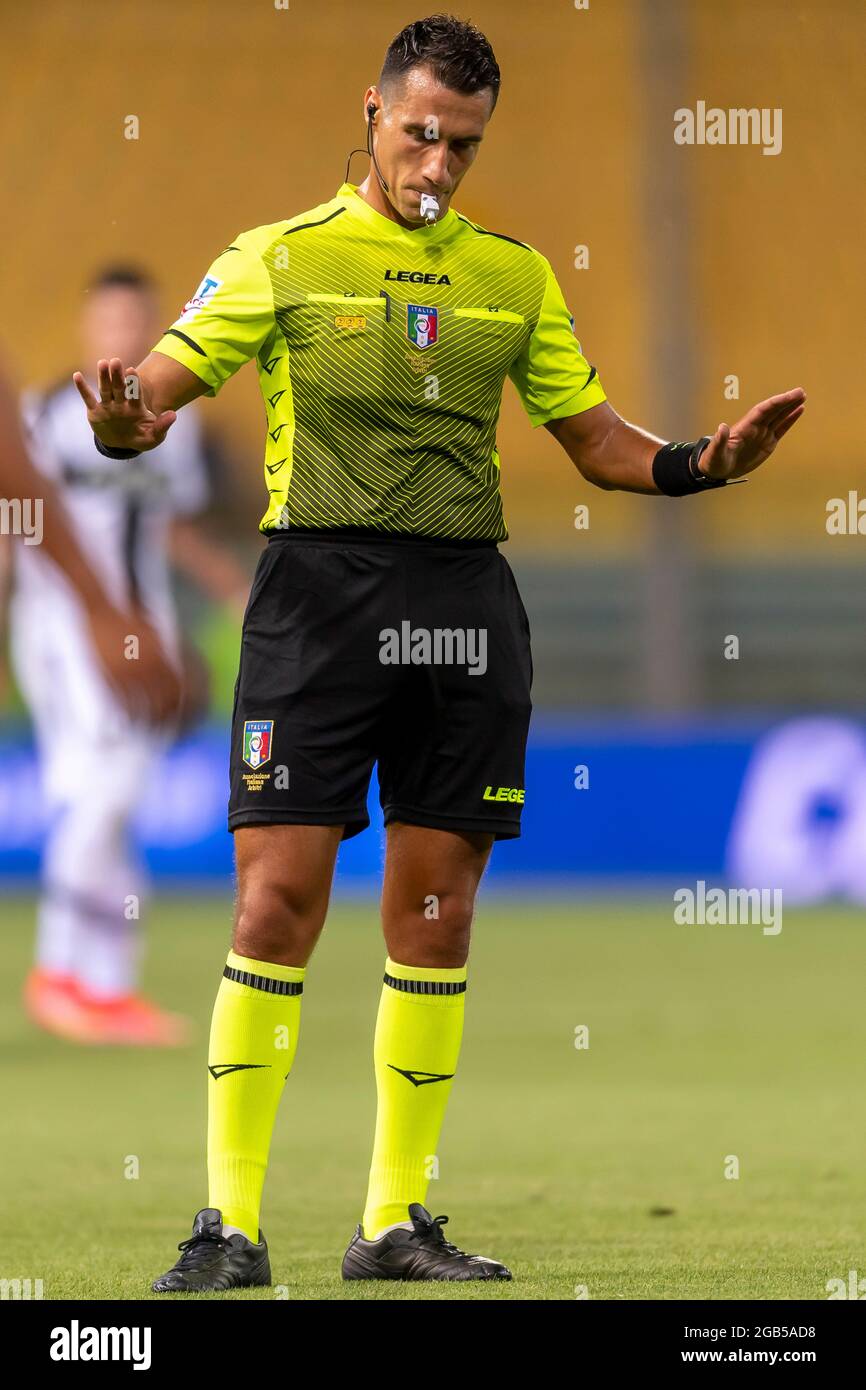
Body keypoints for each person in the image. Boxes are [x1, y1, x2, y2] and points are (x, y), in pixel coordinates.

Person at [72, 15, 805, 1286]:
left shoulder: (513, 276)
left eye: (460, 148)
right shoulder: (279, 257)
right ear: (373, 113)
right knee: (275, 901)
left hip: (463, 604)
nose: (435, 169)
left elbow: (593, 440)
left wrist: (700, 464)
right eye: (419, 137)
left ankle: (391, 1222)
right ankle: (228, 1226)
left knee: (434, 914)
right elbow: (154, 398)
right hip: (316, 601)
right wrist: (127, 424)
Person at [9, 267, 249, 1046]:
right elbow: (17, 514)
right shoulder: (46, 414)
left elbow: (166, 525)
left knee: (111, 794)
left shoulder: (168, 422)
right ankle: (59, 972)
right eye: (110, 322)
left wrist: (224, 587)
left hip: (140, 623)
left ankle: (104, 986)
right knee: (106, 786)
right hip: (67, 624)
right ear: (89, 328)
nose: (123, 337)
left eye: (136, 322)